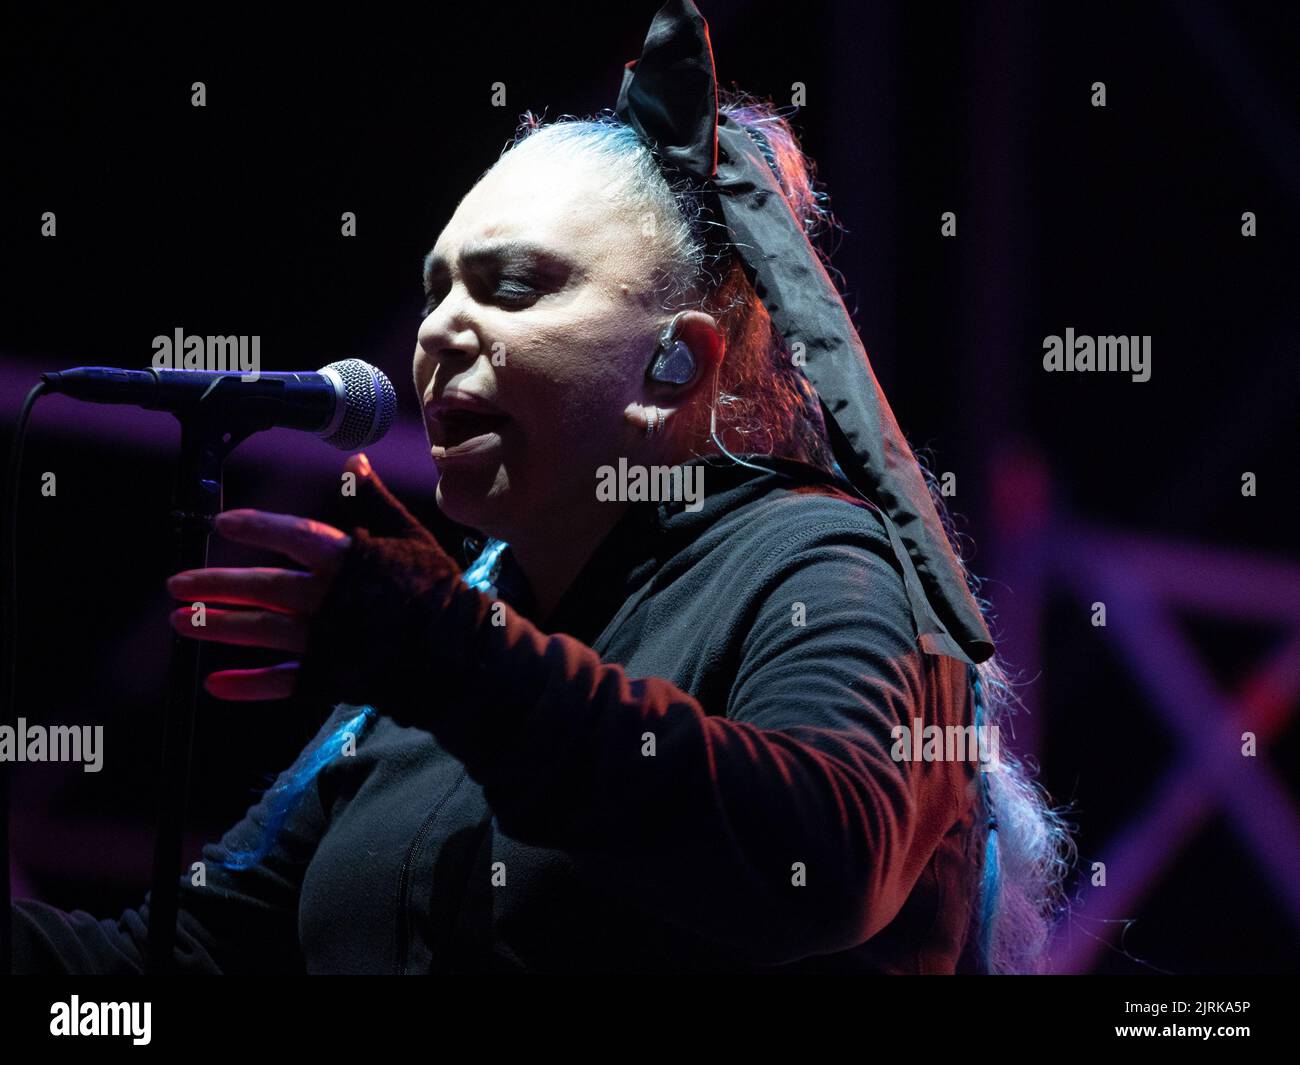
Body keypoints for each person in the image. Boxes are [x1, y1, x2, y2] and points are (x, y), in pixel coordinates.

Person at [10, 0, 1071, 974]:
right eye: (434, 292)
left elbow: (823, 862)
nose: (437, 331)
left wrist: (453, 659)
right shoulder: (456, 631)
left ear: (676, 367)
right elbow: (167, 971)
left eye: (511, 287)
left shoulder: (820, 561)